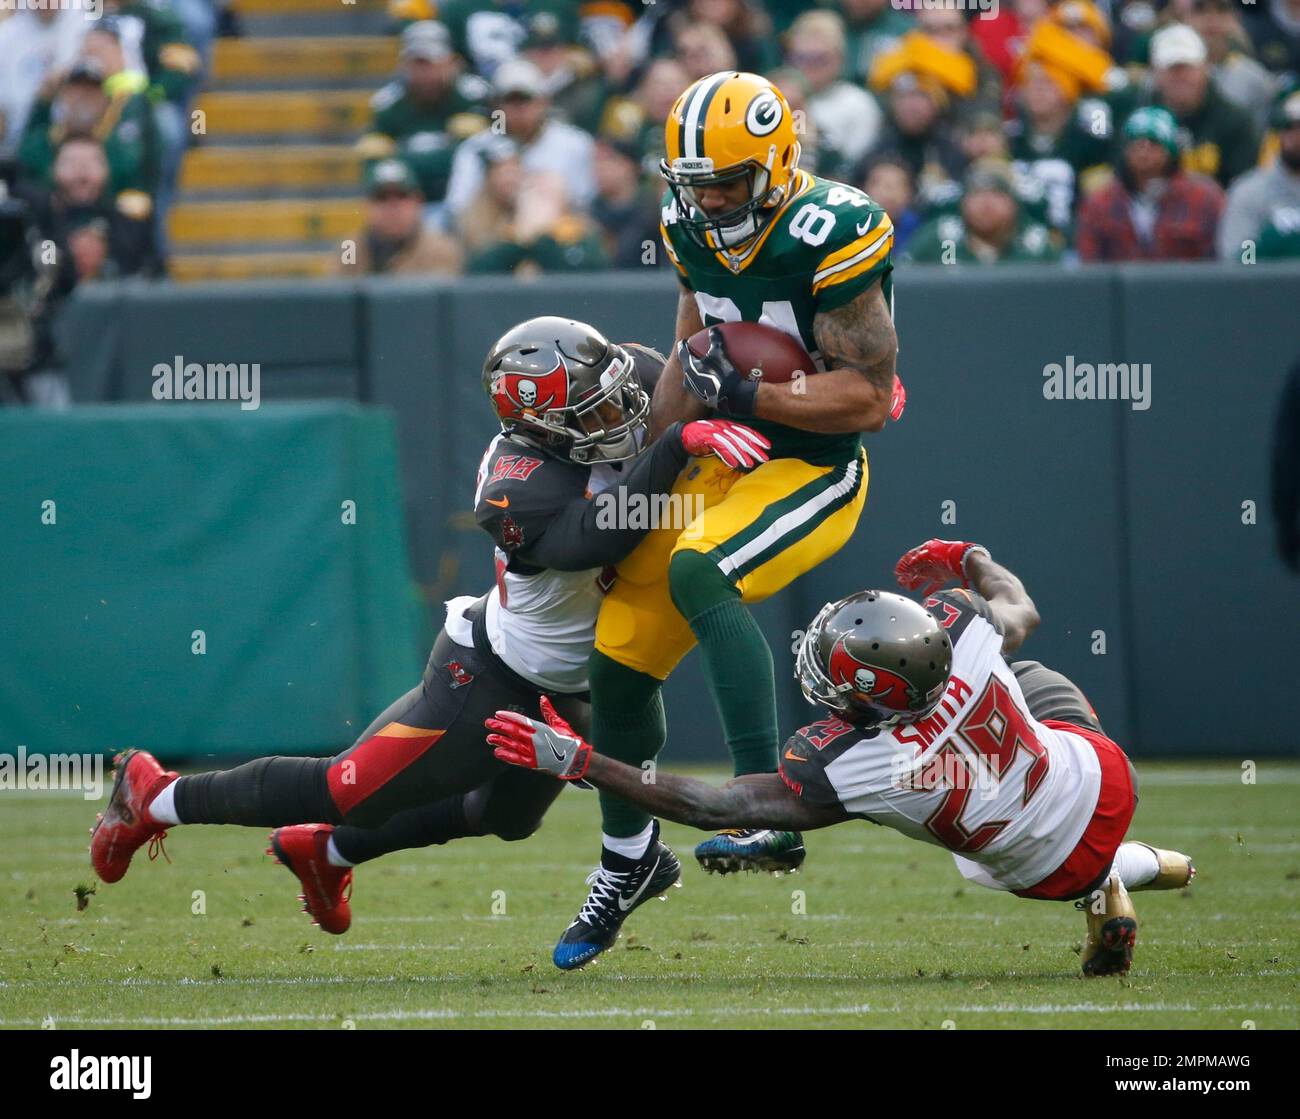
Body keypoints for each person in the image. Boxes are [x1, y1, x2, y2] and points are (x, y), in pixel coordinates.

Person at [88, 318, 769, 935]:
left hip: (572, 684)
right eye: (594, 409)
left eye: (617, 395)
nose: (622, 412)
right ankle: (157, 793)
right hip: (492, 679)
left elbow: (704, 371)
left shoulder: (635, 378)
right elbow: (595, 538)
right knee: (345, 787)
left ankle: (325, 851)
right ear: (540, 422)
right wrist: (679, 441)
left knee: (507, 819)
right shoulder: (516, 483)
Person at [551, 70, 908, 972]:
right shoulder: (686, 224)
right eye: (695, 181)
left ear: (780, 162)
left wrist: (750, 391)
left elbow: (867, 396)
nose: (710, 198)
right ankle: (626, 863)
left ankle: (768, 812)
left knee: (700, 568)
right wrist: (637, 484)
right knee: (619, 653)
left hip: (810, 467)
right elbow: (684, 356)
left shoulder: (836, 227)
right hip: (720, 458)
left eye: (728, 180)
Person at [490, 540, 1196, 978]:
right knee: (1032, 676)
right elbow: (1019, 606)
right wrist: (971, 557)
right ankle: (1131, 868)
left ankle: (1118, 873)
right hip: (1103, 781)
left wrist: (585, 762)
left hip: (1043, 867)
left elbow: (711, 805)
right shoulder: (963, 627)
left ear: (871, 700)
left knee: (1039, 837)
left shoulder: (854, 760)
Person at [1076, 106, 1224, 262]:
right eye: (1136, 142)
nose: (1143, 150)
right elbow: (1088, 262)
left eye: (1154, 142)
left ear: (1171, 150)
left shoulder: (1205, 199)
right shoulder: (1100, 203)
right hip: (1121, 285)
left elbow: (1219, 259)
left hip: (1185, 285)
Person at [336, 158, 462, 276]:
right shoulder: (350, 248)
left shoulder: (441, 249)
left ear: (418, 201)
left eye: (402, 196)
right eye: (382, 197)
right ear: (367, 205)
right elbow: (341, 290)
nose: (392, 207)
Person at [1219, 90, 1300, 261]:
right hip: (1271, 286)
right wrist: (1267, 241)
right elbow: (1239, 261)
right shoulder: (1249, 191)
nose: (1297, 136)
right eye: (1290, 128)